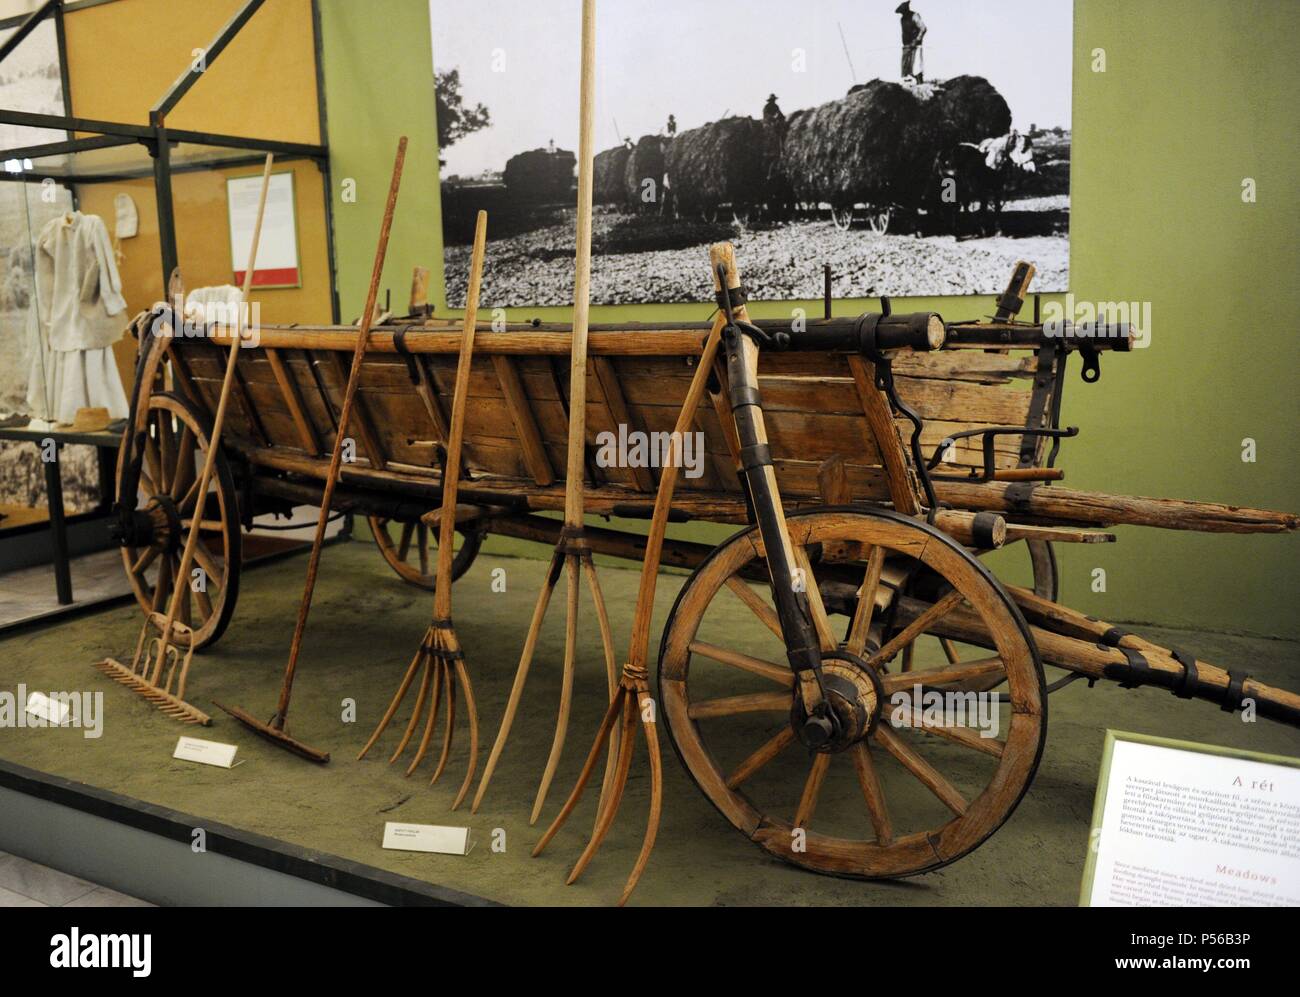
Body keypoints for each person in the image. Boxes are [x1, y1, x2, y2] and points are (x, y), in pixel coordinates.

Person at [896, 2, 926, 83]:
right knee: (905, 66)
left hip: (915, 45)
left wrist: (916, 40)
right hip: (906, 45)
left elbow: (923, 28)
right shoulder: (902, 19)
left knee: (917, 66)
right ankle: (908, 83)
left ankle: (920, 84)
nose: (902, 13)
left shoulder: (914, 16)